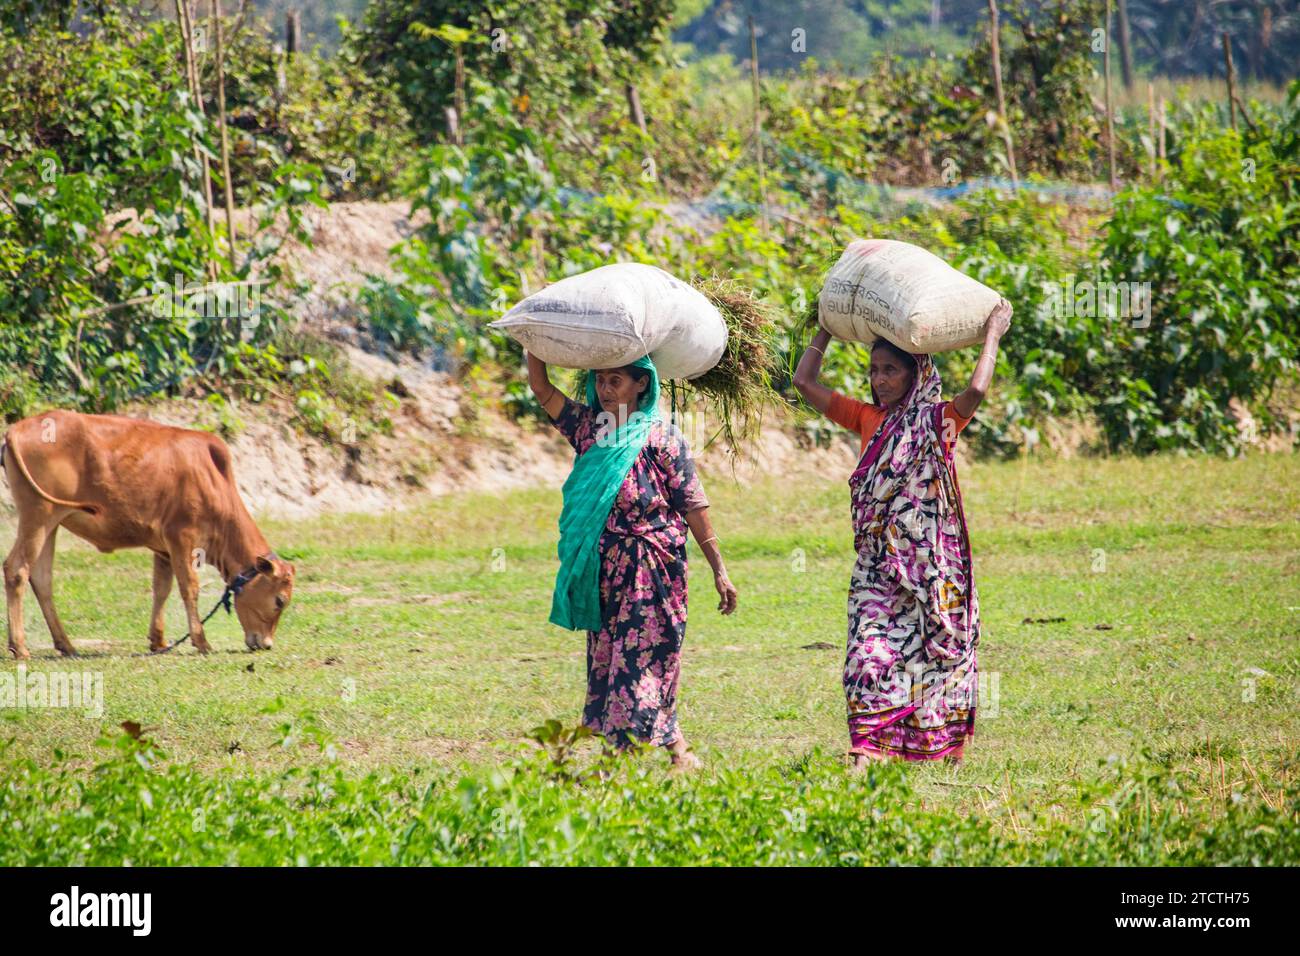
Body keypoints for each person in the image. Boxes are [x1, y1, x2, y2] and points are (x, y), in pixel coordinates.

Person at [792, 301, 1012, 767]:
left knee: (936, 654)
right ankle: (866, 748)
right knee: (866, 655)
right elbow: (803, 383)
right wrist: (824, 327)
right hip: (877, 567)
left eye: (890, 370)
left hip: (932, 567)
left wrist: (992, 333)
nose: (879, 380)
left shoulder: (937, 422)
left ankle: (941, 745)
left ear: (916, 373)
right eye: (873, 371)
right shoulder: (868, 420)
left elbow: (975, 390)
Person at [527, 351, 738, 769]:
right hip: (605, 572)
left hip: (654, 568)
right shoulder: (589, 429)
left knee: (643, 657)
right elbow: (541, 388)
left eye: (616, 381)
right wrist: (534, 340)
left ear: (642, 384)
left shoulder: (663, 438)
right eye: (601, 380)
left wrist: (719, 568)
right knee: (610, 658)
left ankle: (613, 761)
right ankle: (679, 750)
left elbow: (694, 506)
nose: (605, 390)